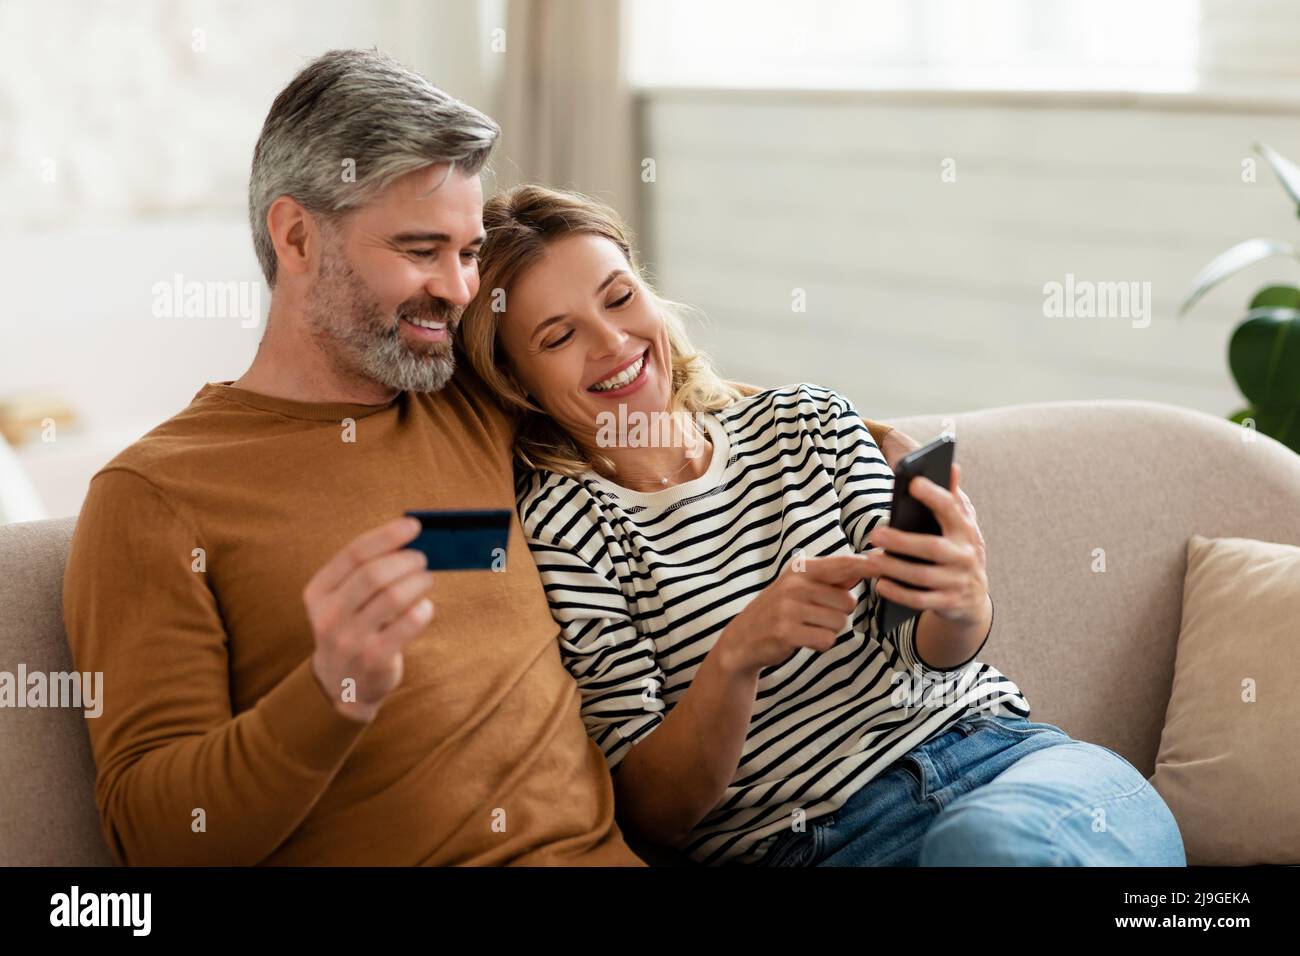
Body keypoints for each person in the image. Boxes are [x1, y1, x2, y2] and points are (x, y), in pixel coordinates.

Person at [458, 183, 1189, 867]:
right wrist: (736, 658)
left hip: (1014, 769)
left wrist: (961, 602)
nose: (613, 342)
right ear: (518, 380)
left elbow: (928, 648)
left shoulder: (805, 422)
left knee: (990, 840)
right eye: (559, 337)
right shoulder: (565, 531)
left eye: (619, 298)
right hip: (818, 844)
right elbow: (653, 817)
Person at [63, 48, 664, 866]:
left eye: (467, 251)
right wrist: (329, 693)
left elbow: (648, 386)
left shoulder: (472, 397)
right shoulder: (157, 495)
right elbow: (157, 838)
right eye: (422, 251)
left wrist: (848, 432)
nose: (457, 288)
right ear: (297, 236)